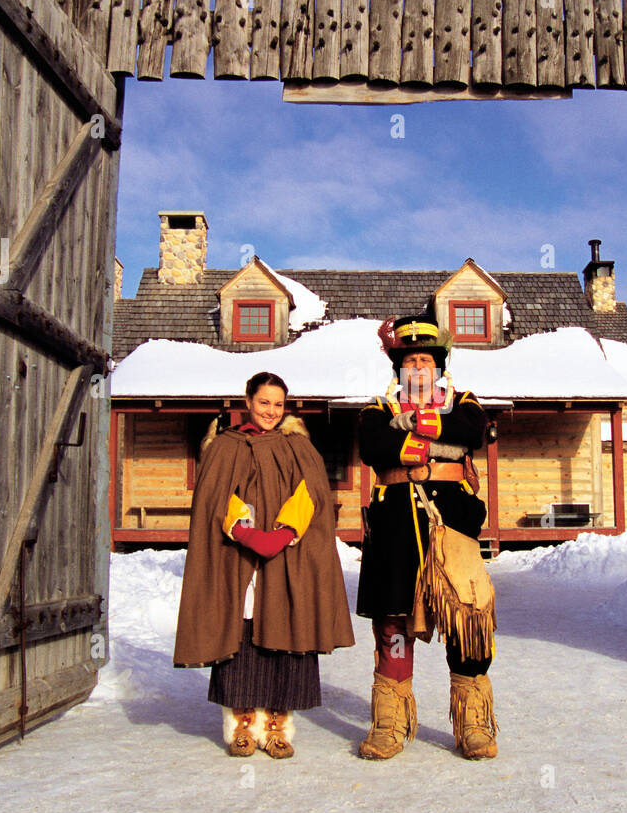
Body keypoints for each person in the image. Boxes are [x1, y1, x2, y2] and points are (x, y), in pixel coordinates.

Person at [173, 372, 355, 758]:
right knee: (239, 630)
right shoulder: (224, 446)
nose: (270, 411)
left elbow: (311, 495)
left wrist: (285, 531)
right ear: (248, 401)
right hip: (237, 556)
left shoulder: (299, 447)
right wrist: (241, 529)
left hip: (289, 555)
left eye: (277, 404)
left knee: (286, 628)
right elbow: (214, 496)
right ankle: (240, 725)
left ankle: (277, 726)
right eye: (263, 402)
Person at [356, 314, 498, 760]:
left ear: (438, 366)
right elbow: (373, 446)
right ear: (399, 369)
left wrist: (420, 428)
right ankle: (390, 722)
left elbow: (473, 431)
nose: (418, 369)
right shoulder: (378, 408)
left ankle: (473, 722)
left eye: (426, 360)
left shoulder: (465, 400)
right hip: (396, 529)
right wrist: (437, 443)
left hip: (452, 523)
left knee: (467, 621)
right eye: (410, 361)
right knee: (394, 625)